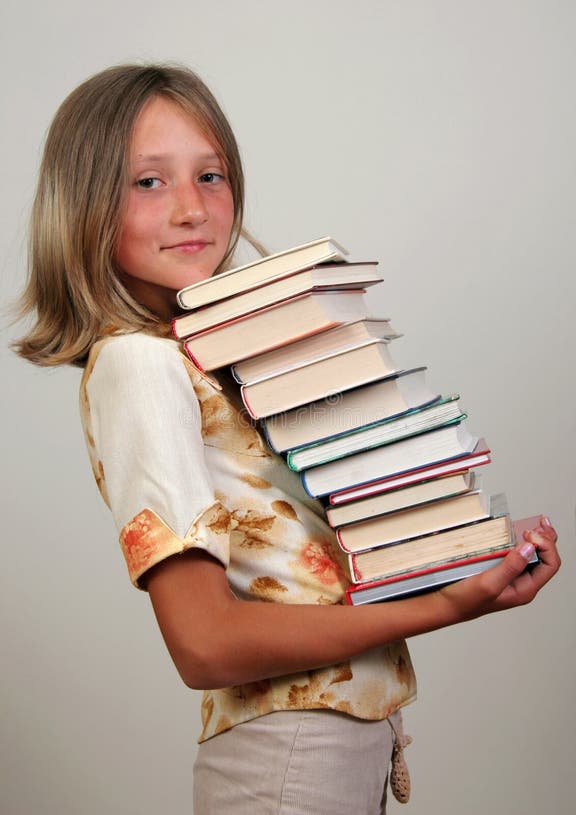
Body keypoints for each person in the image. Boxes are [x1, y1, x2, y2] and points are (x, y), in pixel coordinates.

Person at [14, 63, 560, 814]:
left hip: (328, 750)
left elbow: (301, 574)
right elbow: (204, 643)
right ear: (82, 203)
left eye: (210, 175)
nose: (191, 209)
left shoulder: (207, 362)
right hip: (288, 761)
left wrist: (470, 558)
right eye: (148, 182)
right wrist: (448, 606)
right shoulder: (137, 364)